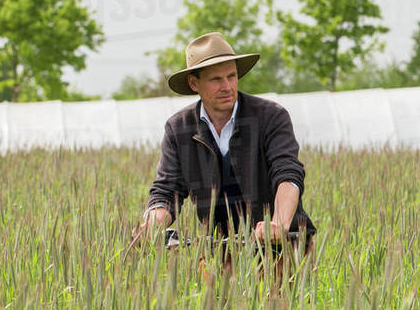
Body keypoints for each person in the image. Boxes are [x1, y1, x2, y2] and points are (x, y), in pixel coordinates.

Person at [132, 32, 316, 274]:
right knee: (214, 307)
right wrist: (153, 225)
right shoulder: (179, 129)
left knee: (279, 307)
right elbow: (167, 191)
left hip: (283, 246)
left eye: (231, 76)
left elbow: (288, 174)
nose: (227, 86)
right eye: (216, 80)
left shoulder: (271, 117)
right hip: (220, 250)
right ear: (194, 83)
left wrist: (278, 223)